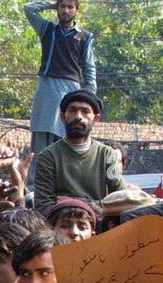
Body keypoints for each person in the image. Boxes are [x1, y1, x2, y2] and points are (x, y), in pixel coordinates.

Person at [32, 91, 124, 215]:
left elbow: (122, 200)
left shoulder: (108, 155)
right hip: (59, 228)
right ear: (62, 117)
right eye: (72, 110)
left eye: (85, 111)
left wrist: (80, 204)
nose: (78, 116)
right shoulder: (48, 157)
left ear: (96, 119)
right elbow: (43, 207)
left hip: (100, 226)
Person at [24, 0, 97, 156]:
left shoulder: (84, 37)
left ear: (76, 10)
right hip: (46, 86)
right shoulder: (47, 29)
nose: (66, 10)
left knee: (67, 133)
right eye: (62, 6)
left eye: (70, 7)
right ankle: (36, 179)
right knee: (41, 136)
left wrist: (89, 97)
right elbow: (29, 9)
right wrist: (51, 4)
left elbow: (89, 68)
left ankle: (62, 177)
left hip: (71, 89)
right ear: (57, 8)